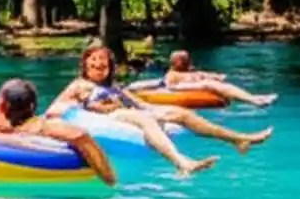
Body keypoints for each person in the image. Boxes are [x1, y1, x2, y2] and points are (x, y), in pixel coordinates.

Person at [50, 47, 273, 175]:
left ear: (109, 66)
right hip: (108, 117)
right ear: (86, 64)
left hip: (126, 112)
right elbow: (54, 108)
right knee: (146, 120)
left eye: (104, 62)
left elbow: (140, 104)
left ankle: (239, 140)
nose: (99, 65)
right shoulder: (79, 85)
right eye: (94, 61)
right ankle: (181, 162)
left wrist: (161, 110)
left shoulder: (113, 87)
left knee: (181, 114)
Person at [160, 50, 278, 107]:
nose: (188, 63)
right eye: (185, 60)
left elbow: (197, 74)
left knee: (219, 85)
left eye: (187, 60)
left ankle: (253, 98)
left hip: (183, 87)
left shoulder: (185, 71)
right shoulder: (172, 73)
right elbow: (169, 84)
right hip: (174, 89)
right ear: (178, 62)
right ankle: (254, 101)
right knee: (208, 84)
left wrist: (213, 76)